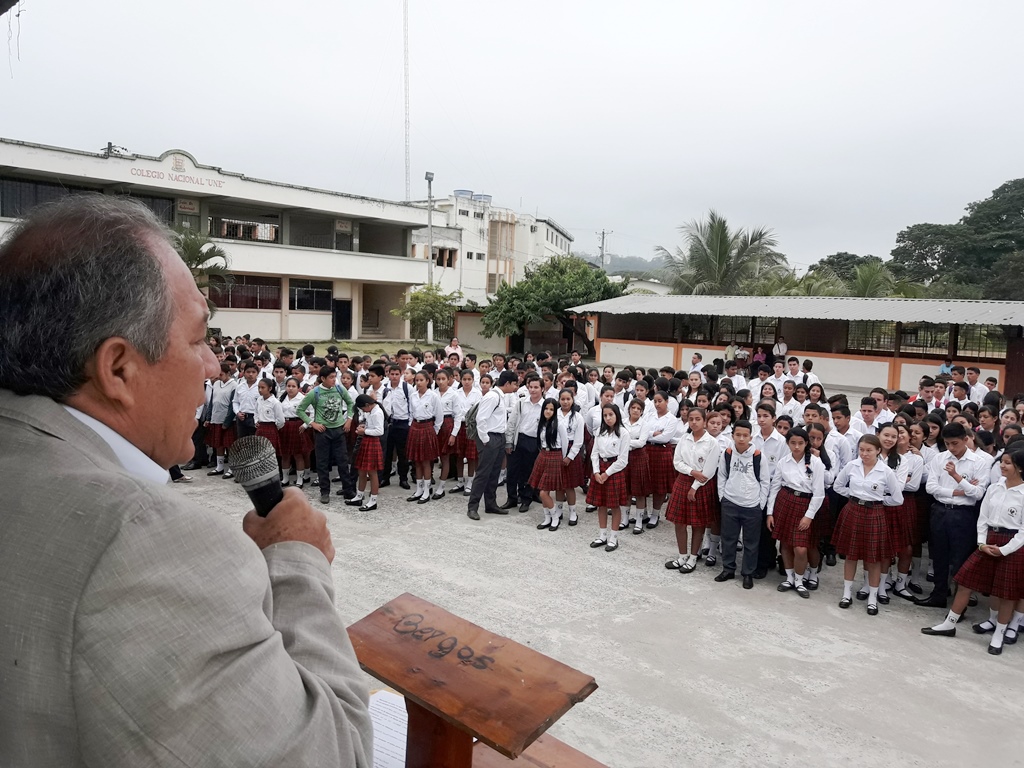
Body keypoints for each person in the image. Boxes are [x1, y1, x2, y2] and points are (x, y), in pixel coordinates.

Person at [0, 196, 372, 764]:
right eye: (198, 339)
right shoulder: (142, 541)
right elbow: (333, 753)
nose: (215, 366)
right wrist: (296, 564)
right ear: (119, 369)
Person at [922, 450, 1024, 654]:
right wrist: (981, 543)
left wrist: (1004, 550)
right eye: (1001, 462)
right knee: (966, 581)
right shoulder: (994, 488)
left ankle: (999, 633)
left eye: (1007, 463)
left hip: (1012, 545)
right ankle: (949, 623)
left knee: (1006, 593)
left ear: (1020, 468)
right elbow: (983, 518)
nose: (1002, 466)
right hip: (988, 541)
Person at [916, 422, 991, 608]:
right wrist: (960, 490)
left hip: (963, 514)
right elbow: (932, 488)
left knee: (960, 559)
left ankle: (960, 604)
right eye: (947, 443)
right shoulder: (940, 459)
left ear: (966, 440)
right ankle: (938, 595)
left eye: (955, 443)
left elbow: (978, 493)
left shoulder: (979, 463)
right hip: (940, 510)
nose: (951, 448)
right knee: (939, 555)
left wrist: (957, 478)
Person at [832, 434, 904, 615]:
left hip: (875, 514)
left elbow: (897, 498)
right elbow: (837, 486)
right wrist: (853, 495)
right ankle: (846, 593)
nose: (864, 454)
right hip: (853, 510)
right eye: (861, 449)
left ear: (878, 451)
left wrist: (878, 502)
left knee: (874, 558)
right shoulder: (851, 466)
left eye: (869, 450)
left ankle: (873, 597)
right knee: (850, 555)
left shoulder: (886, 471)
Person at [766, 428, 826, 597]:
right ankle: (790, 577)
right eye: (793, 443)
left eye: (800, 443)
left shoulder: (816, 463)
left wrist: (808, 516)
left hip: (806, 505)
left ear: (806, 443)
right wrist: (770, 513)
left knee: (801, 548)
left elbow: (819, 493)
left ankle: (800, 580)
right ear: (788, 444)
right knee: (785, 543)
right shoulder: (783, 462)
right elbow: (775, 487)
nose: (797, 447)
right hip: (785, 502)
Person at [665, 408, 722, 573]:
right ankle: (682, 555)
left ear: (704, 421)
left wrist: (694, 486)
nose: (694, 422)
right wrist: (692, 472)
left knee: (698, 523)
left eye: (698, 419)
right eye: (691, 419)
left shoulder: (712, 443)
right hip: (683, 480)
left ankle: (693, 556)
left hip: (702, 485)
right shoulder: (684, 438)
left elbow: (709, 471)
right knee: (679, 522)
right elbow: (677, 462)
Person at [715, 419, 770, 589]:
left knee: (751, 542)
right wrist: (722, 497)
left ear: (750, 437)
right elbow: (722, 476)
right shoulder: (727, 453)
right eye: (738, 435)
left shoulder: (758, 456)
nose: (741, 438)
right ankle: (728, 568)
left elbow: (765, 482)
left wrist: (759, 504)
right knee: (729, 539)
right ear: (732, 436)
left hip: (751, 506)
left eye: (745, 435)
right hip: (730, 502)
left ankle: (747, 573)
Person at [298, 367, 355, 505]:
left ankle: (348, 490)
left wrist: (349, 419)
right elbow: (300, 410)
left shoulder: (340, 389)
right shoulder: (315, 392)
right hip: (322, 432)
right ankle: (324, 492)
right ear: (323, 379)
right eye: (331, 377)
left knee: (342, 461)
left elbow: (351, 404)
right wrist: (313, 424)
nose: (334, 380)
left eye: (335, 377)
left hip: (339, 430)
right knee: (322, 463)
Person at [467, 371, 515, 519]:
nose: (515, 387)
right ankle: (472, 507)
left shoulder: (500, 396)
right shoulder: (492, 397)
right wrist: (486, 440)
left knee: (494, 473)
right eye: (514, 384)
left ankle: (491, 504)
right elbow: (481, 418)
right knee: (483, 473)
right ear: (507, 384)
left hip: (499, 437)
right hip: (490, 438)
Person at [587, 404, 631, 552]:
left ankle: (614, 537)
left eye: (611, 415)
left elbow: (623, 460)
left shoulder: (623, 433)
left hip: (614, 470)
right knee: (601, 504)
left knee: (615, 505)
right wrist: (596, 472)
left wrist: (607, 473)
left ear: (617, 415)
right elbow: (594, 453)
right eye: (605, 415)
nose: (608, 418)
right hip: (600, 468)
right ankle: (602, 535)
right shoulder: (600, 432)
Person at [345, 394, 385, 511]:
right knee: (361, 470)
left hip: (372, 442)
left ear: (367, 405)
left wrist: (364, 431)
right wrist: (363, 426)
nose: (363, 411)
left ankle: (373, 501)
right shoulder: (370, 411)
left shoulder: (377, 412)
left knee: (372, 473)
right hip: (366, 440)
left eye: (363, 408)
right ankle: (359, 496)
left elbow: (379, 431)